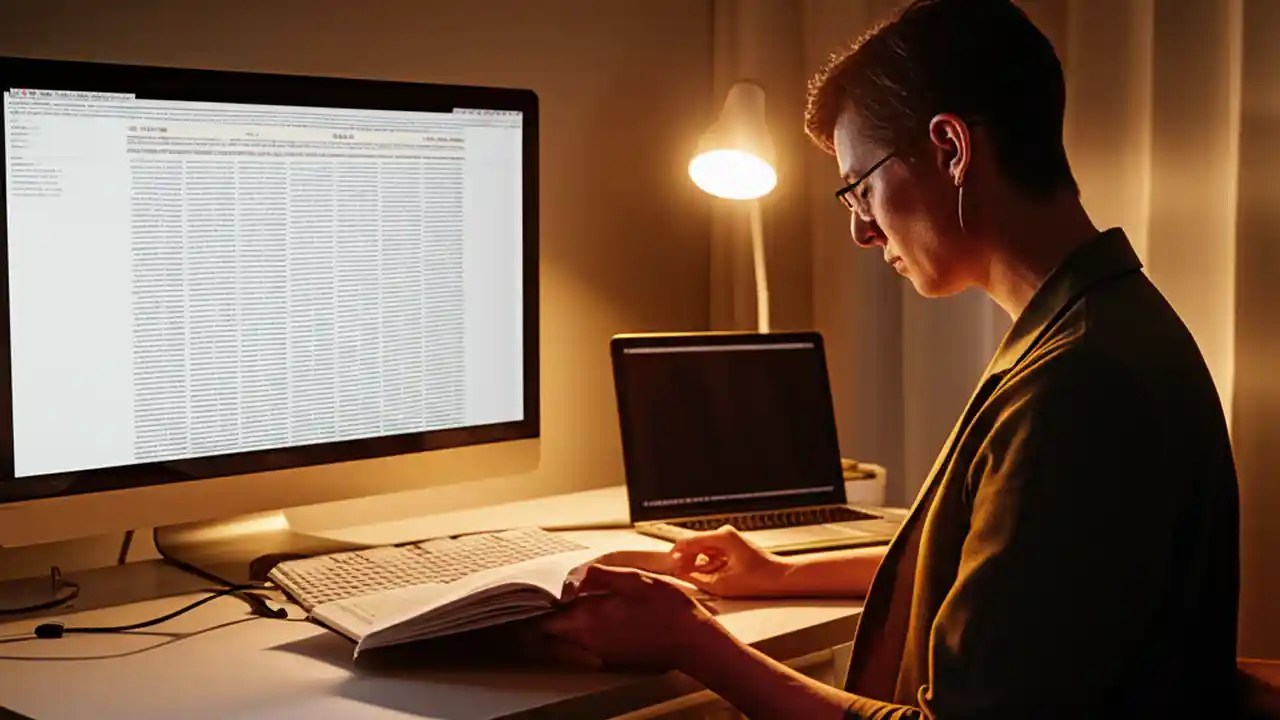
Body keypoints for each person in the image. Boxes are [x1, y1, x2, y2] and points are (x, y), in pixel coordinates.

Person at [539, 0, 1242, 717]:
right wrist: (778, 574)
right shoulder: (1099, 324)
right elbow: (1013, 580)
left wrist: (694, 643)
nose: (861, 231)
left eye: (861, 188)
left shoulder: (1076, 387)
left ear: (950, 148)